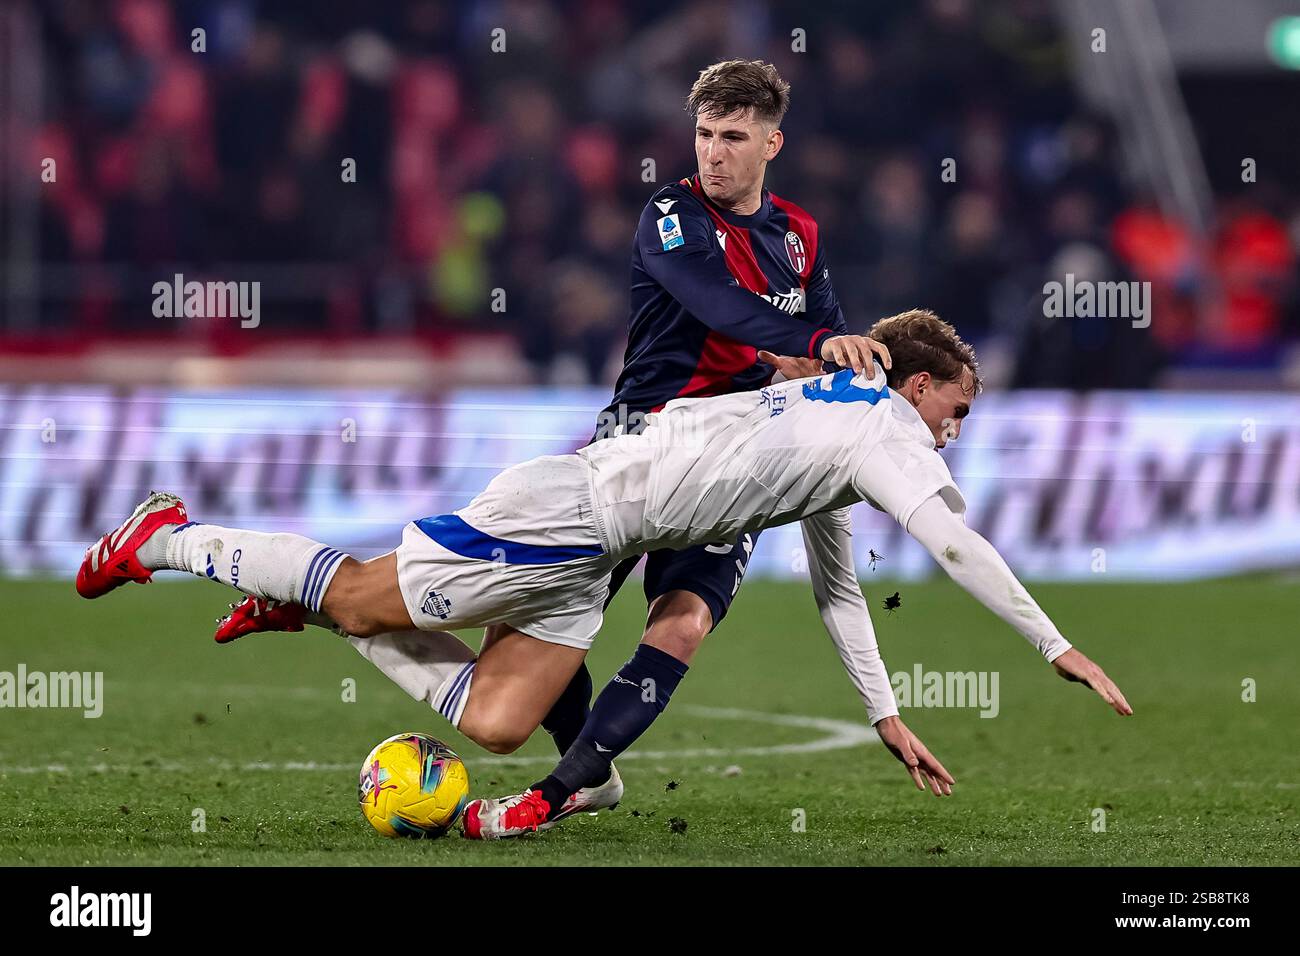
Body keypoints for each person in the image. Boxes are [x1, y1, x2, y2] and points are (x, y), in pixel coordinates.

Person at [75, 310, 1132, 840]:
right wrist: (1055, 643)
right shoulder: (887, 429)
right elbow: (953, 543)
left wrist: (883, 711)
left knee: (492, 723)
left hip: (603, 543)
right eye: (956, 409)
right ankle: (164, 536)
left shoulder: (842, 425)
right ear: (917, 385)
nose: (952, 435)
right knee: (357, 589)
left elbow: (838, 585)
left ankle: (324, 609)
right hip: (569, 509)